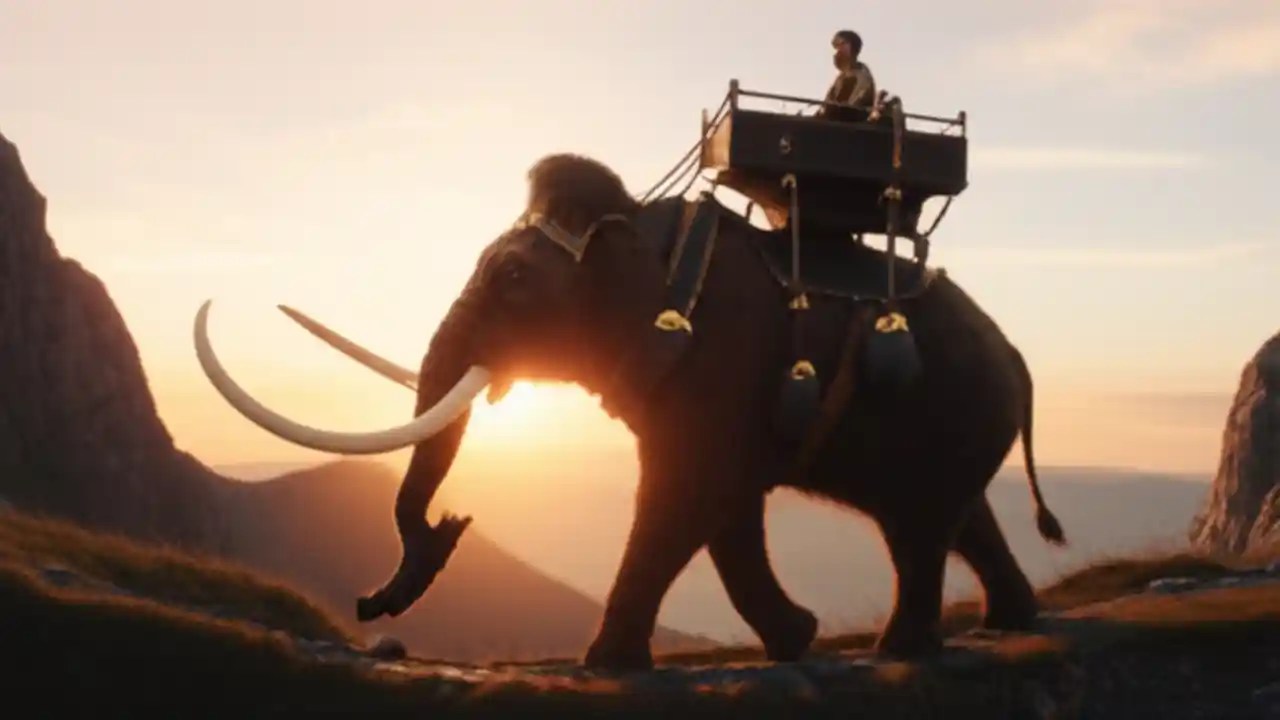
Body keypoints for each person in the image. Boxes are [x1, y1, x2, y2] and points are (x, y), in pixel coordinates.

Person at [818, 29, 876, 120]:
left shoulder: (862, 74)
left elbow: (858, 101)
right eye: (836, 47)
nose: (837, 51)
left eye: (841, 45)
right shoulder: (840, 78)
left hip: (850, 121)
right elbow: (827, 102)